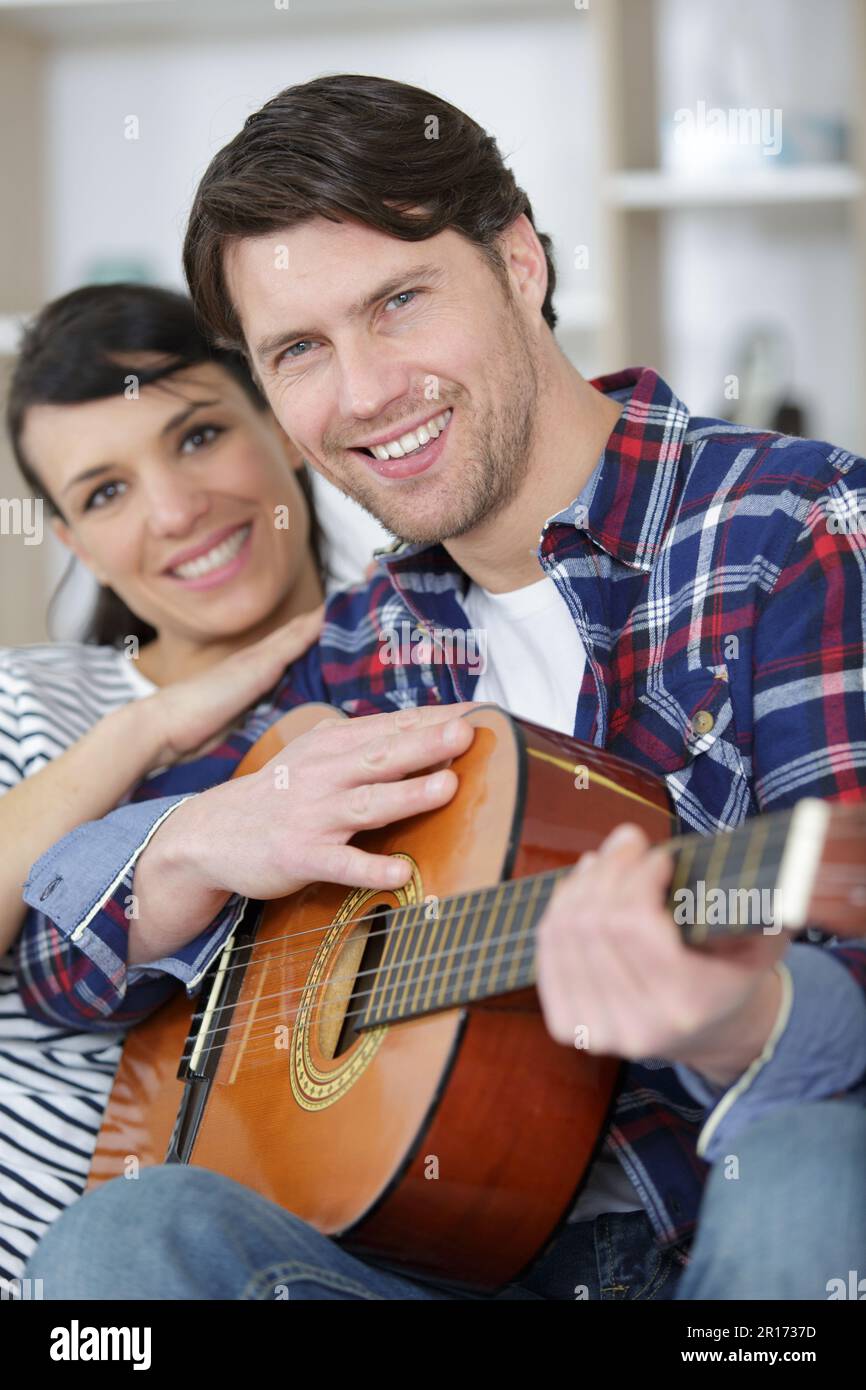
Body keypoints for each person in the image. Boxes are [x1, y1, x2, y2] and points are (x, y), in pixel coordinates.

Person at [18, 75, 866, 1300]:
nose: (362, 394)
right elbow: (56, 958)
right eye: (299, 350)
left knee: (810, 1164)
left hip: (722, 1246)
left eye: (398, 301)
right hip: (440, 1268)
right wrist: (197, 841)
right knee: (125, 1242)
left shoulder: (793, 527)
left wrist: (730, 1021)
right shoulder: (352, 650)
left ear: (518, 262)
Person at [0, 281, 466, 1287]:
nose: (175, 509)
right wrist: (147, 726)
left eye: (200, 435)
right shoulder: (25, 700)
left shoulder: (421, 659)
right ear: (75, 547)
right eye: (105, 493)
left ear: (283, 421)